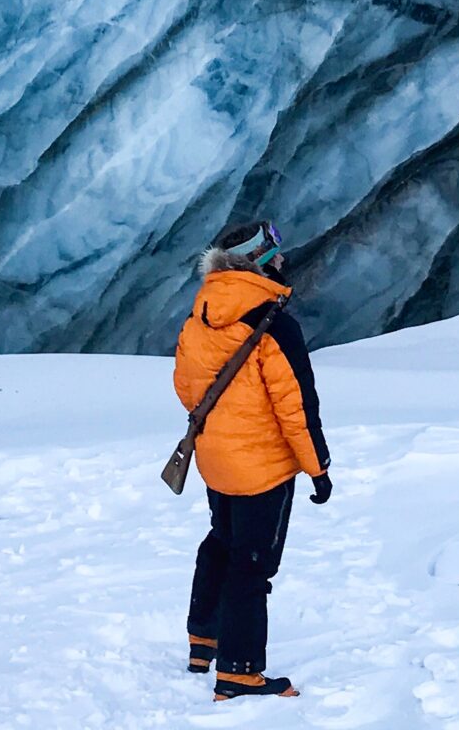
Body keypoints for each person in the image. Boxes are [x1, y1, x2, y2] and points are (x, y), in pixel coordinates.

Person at [173, 220, 332, 701]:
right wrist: (318, 468)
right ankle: (239, 672)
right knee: (253, 564)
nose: (284, 260)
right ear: (258, 261)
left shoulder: (200, 315)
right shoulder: (274, 324)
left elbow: (186, 388)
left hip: (216, 461)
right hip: (264, 469)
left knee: (221, 541)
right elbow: (298, 407)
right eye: (275, 253)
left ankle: (205, 640)